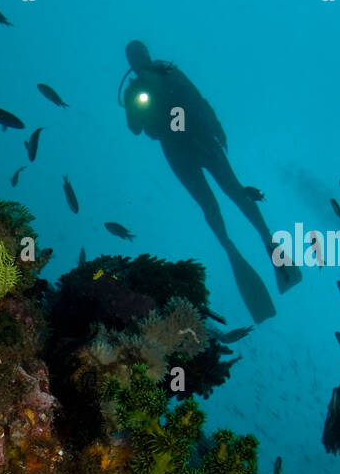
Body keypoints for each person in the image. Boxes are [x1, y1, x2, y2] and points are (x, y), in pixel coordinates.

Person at [121, 40, 299, 323]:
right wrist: (135, 104)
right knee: (211, 206)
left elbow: (198, 98)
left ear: (146, 54)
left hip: (199, 140)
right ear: (130, 62)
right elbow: (135, 128)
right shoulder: (135, 90)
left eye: (139, 53)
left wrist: (217, 127)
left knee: (236, 193)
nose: (138, 58)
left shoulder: (170, 72)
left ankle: (268, 241)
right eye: (133, 56)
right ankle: (234, 252)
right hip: (179, 150)